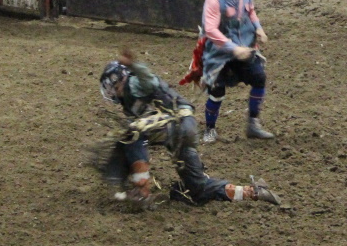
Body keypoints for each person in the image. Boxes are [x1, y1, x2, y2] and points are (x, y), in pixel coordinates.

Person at [95, 47, 281, 207]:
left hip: (176, 123)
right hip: (182, 131)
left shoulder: (134, 83)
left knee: (132, 134)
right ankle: (253, 192)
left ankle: (140, 190)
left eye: (112, 86)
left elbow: (149, 80)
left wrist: (134, 65)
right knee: (198, 188)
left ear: (118, 80)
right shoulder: (130, 99)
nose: (112, 91)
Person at [197, 0, 275, 143]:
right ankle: (210, 129)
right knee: (217, 90)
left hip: (244, 48)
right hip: (219, 53)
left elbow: (251, 12)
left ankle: (253, 124)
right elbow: (210, 30)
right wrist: (233, 48)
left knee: (259, 77)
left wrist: (258, 28)